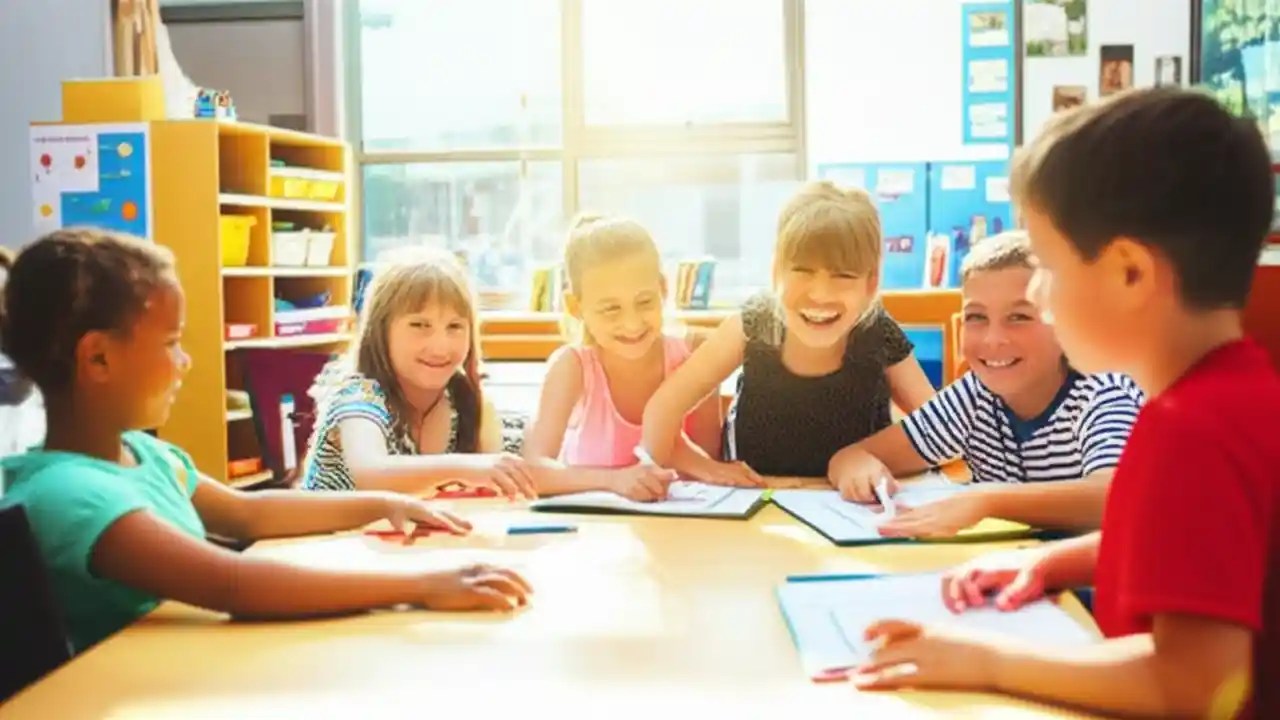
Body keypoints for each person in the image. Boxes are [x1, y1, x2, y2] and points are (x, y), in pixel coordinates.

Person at [856, 88, 1278, 719]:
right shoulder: (1237, 394)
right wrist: (1054, 560)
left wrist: (987, 661)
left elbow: (1191, 686)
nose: (1040, 295)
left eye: (1048, 268)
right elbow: (1193, 548)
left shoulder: (1192, 432)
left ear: (1130, 273)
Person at [0, 230, 531, 653]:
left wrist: (384, 504)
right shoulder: (71, 495)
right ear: (97, 358)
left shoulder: (145, 455)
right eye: (171, 343)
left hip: (180, 670)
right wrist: (421, 586)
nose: (185, 361)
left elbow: (247, 513)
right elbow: (231, 583)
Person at [828, 230, 1142, 537]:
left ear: (1064, 321)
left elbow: (1115, 496)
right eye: (976, 317)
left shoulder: (1103, 392)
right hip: (1003, 564)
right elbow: (853, 455)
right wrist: (858, 468)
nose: (993, 340)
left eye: (1019, 317)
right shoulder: (974, 396)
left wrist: (987, 502)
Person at [642, 180, 936, 483]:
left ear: (870, 285)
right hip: (759, 500)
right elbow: (660, 412)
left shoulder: (879, 333)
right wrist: (706, 468)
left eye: (844, 275)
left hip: (854, 505)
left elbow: (943, 429)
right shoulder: (752, 325)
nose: (820, 294)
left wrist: (869, 459)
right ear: (775, 273)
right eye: (802, 271)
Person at [302, 247, 537, 498]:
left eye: (455, 326)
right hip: (334, 525)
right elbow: (371, 473)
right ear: (380, 330)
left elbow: (502, 489)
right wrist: (465, 468)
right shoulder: (358, 395)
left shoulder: (466, 402)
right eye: (419, 325)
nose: (440, 347)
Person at [521, 214, 719, 501]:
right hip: (591, 525)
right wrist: (614, 481)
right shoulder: (572, 367)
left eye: (645, 302)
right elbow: (533, 471)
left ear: (663, 289)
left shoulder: (694, 357)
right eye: (611, 309)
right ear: (575, 306)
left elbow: (708, 470)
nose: (632, 323)